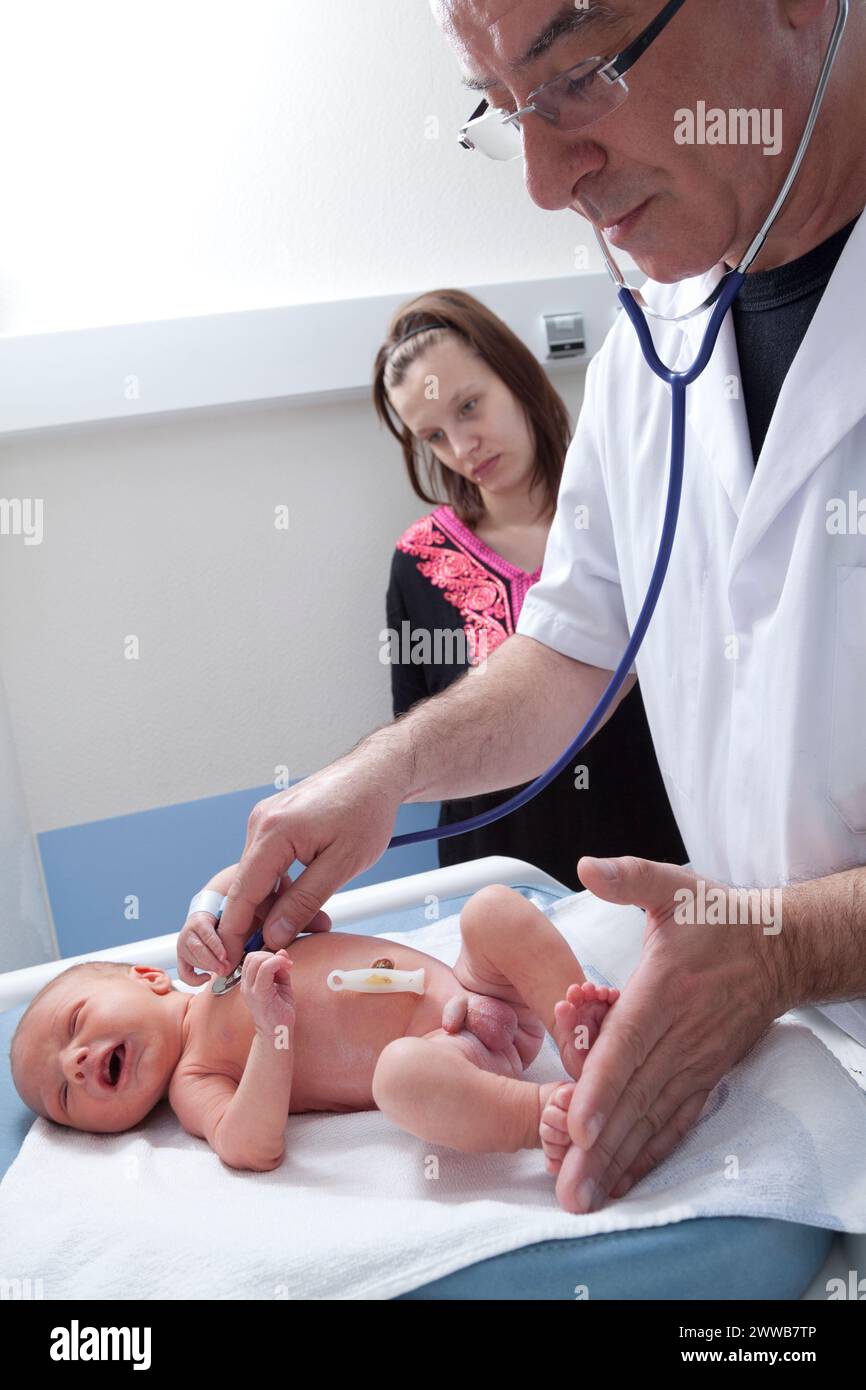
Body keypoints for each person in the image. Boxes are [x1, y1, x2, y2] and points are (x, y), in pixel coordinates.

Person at [181, 0, 866, 1293]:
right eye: (502, 110)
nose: (547, 181)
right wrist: (380, 773)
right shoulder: (653, 339)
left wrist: (785, 944)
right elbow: (569, 648)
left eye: (576, 76)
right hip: (780, 1099)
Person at [12, 880, 618, 1196]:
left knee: (491, 908)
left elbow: (252, 878)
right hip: (450, 1053)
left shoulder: (225, 958)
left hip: (476, 984)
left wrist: (208, 908)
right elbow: (250, 1145)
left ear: (149, 978)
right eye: (66, 1096)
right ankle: (539, 1112)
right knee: (401, 1079)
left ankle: (577, 1037)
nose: (78, 1063)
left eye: (74, 1025)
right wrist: (273, 1033)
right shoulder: (194, 1080)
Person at [375, 287, 686, 890]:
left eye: (469, 406)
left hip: (656, 860)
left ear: (515, 374)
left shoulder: (632, 506)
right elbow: (419, 737)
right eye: (434, 435)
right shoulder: (419, 561)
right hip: (497, 886)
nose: (462, 448)